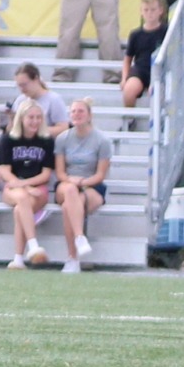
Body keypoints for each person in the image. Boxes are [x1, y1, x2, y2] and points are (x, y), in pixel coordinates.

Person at [0, 100, 57, 269]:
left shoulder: (46, 141)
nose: (35, 121)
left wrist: (27, 184)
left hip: (38, 188)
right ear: (21, 118)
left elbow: (46, 174)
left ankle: (18, 259)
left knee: (19, 210)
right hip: (13, 187)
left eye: (38, 117)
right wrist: (24, 187)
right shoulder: (8, 139)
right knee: (22, 198)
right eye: (31, 117)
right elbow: (4, 171)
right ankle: (33, 245)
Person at [55, 98, 112, 274]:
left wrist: (82, 182)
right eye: (73, 111)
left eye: (80, 111)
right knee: (70, 191)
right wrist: (72, 181)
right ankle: (79, 237)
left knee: (68, 207)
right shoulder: (62, 139)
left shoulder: (102, 140)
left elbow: (100, 175)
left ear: (89, 115)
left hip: (91, 184)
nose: (76, 115)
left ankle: (72, 258)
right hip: (67, 183)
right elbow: (60, 172)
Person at [121, 0, 167, 109]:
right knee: (129, 90)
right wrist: (124, 78)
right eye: (146, 10)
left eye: (153, 10)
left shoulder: (167, 32)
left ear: (160, 10)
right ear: (141, 12)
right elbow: (127, 59)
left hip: (160, 70)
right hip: (140, 70)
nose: (149, 13)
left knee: (159, 91)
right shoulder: (135, 34)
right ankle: (130, 117)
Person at [11, 63, 69, 136]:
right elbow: (13, 129)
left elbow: (63, 128)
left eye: (24, 85)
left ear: (36, 79)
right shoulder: (20, 100)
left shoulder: (54, 99)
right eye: (19, 86)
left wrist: (35, 129)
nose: (22, 89)